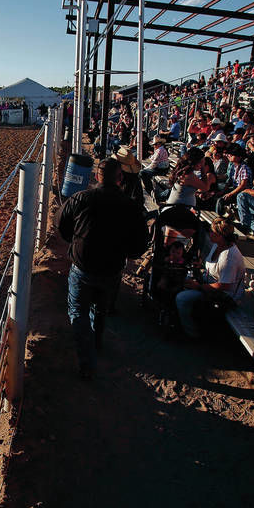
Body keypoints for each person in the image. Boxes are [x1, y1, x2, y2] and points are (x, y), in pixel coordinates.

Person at [57, 157, 148, 379]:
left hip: (83, 266)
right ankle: (96, 343)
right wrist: (127, 254)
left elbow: (61, 223)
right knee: (100, 308)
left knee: (78, 311)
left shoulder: (82, 198)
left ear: (97, 176)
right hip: (111, 268)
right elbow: (140, 244)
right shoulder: (131, 206)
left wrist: (74, 242)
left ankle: (87, 359)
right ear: (120, 178)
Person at [174, 217, 245, 339]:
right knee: (179, 281)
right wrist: (200, 266)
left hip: (225, 296)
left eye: (213, 232)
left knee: (182, 298)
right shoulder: (217, 245)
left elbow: (225, 286)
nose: (210, 233)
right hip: (209, 285)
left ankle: (192, 333)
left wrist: (199, 287)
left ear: (221, 236)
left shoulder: (229, 257)